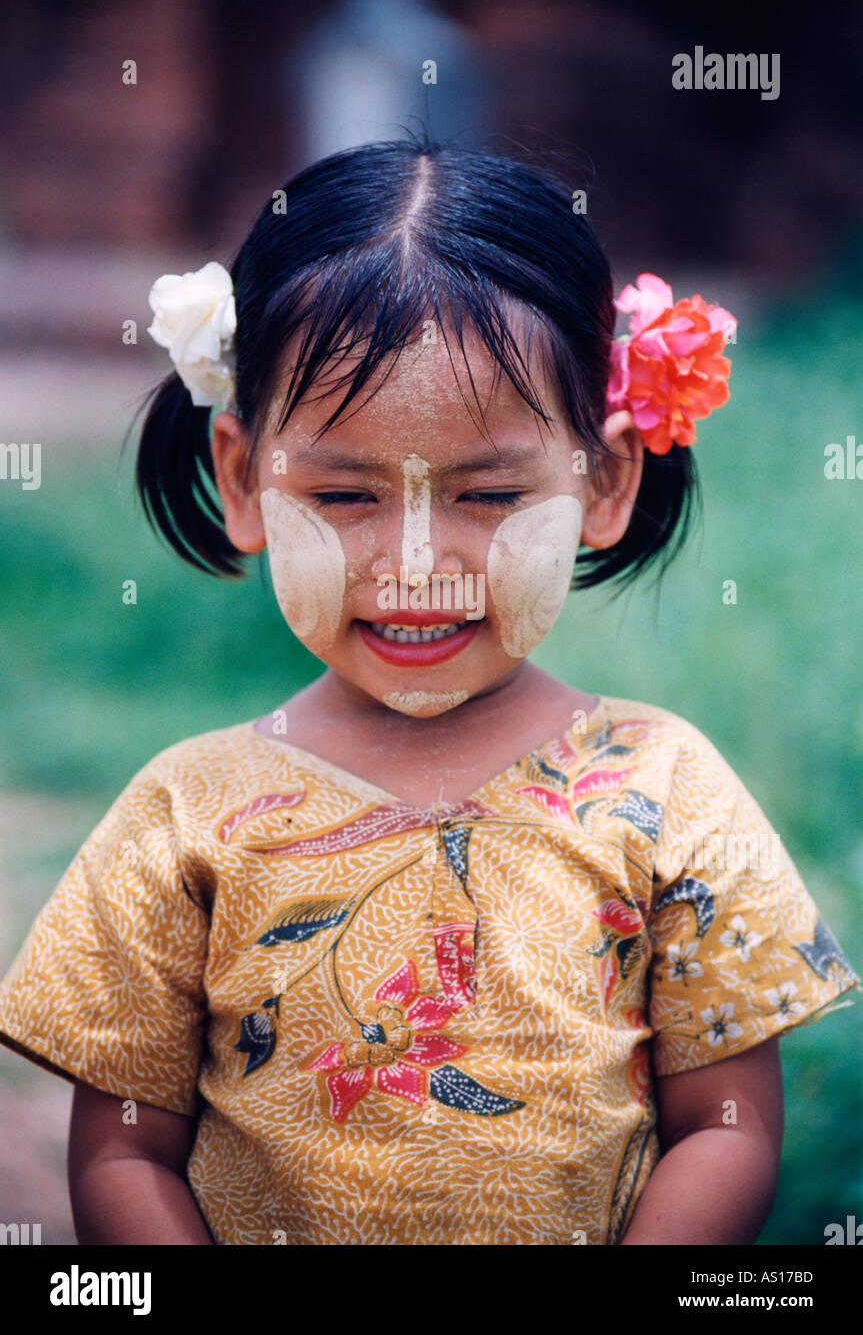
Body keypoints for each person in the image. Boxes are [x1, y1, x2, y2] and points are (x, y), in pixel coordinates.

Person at [0, 137, 858, 1246]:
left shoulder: (662, 790)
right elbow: (122, 1146)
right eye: (346, 493)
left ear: (603, 481)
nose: (414, 563)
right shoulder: (186, 812)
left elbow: (726, 1126)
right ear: (240, 477)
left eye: (491, 491)